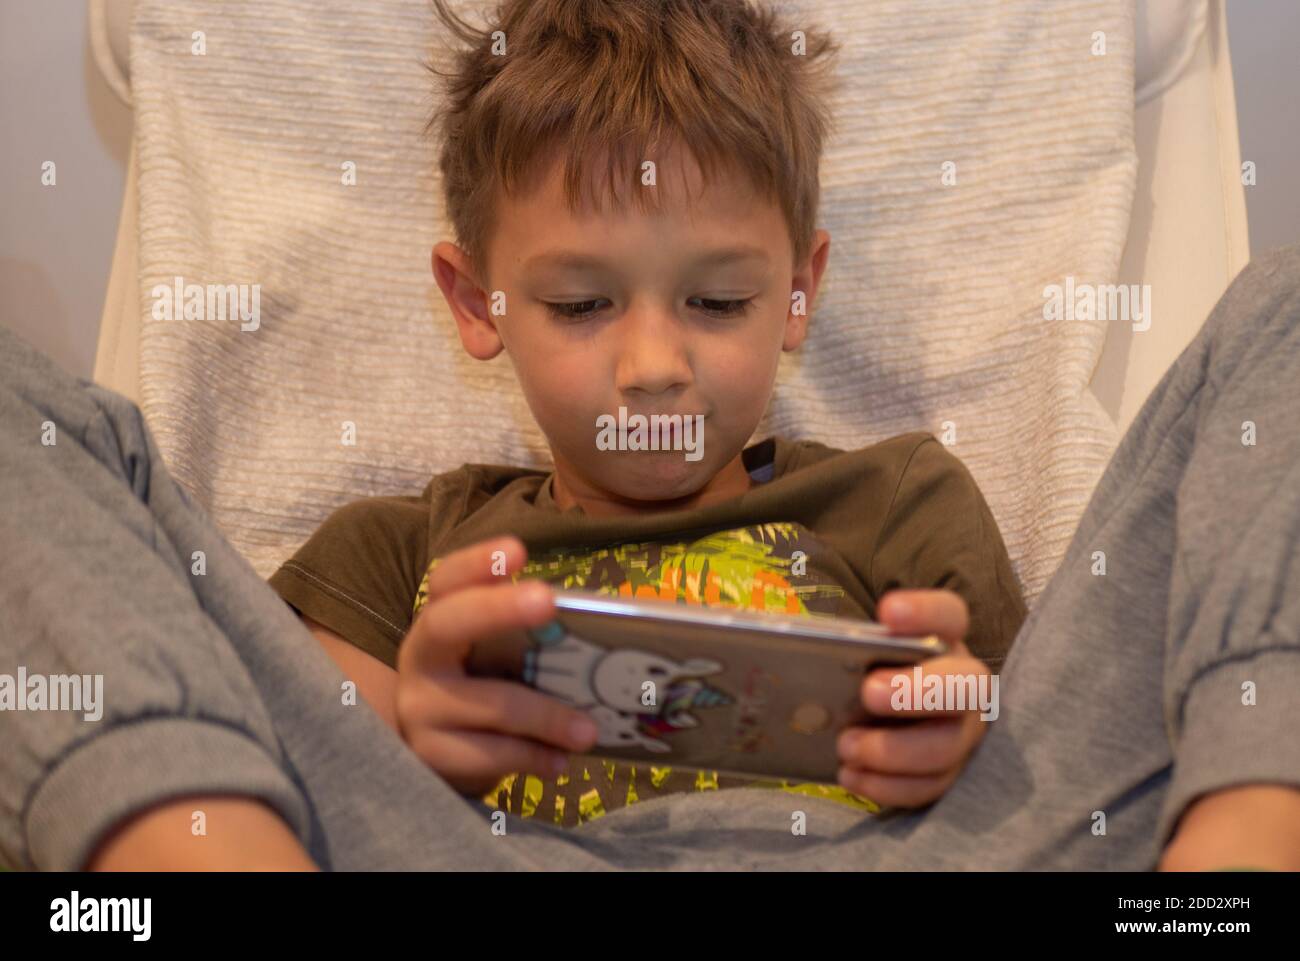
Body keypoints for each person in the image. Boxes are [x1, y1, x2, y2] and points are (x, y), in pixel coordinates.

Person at [267, 0, 1026, 828]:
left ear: (797, 292)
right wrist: (418, 758)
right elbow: (301, 816)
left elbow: (1042, 778)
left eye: (718, 300)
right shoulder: (390, 560)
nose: (655, 368)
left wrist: (968, 741)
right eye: (581, 303)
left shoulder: (897, 505)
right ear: (477, 303)